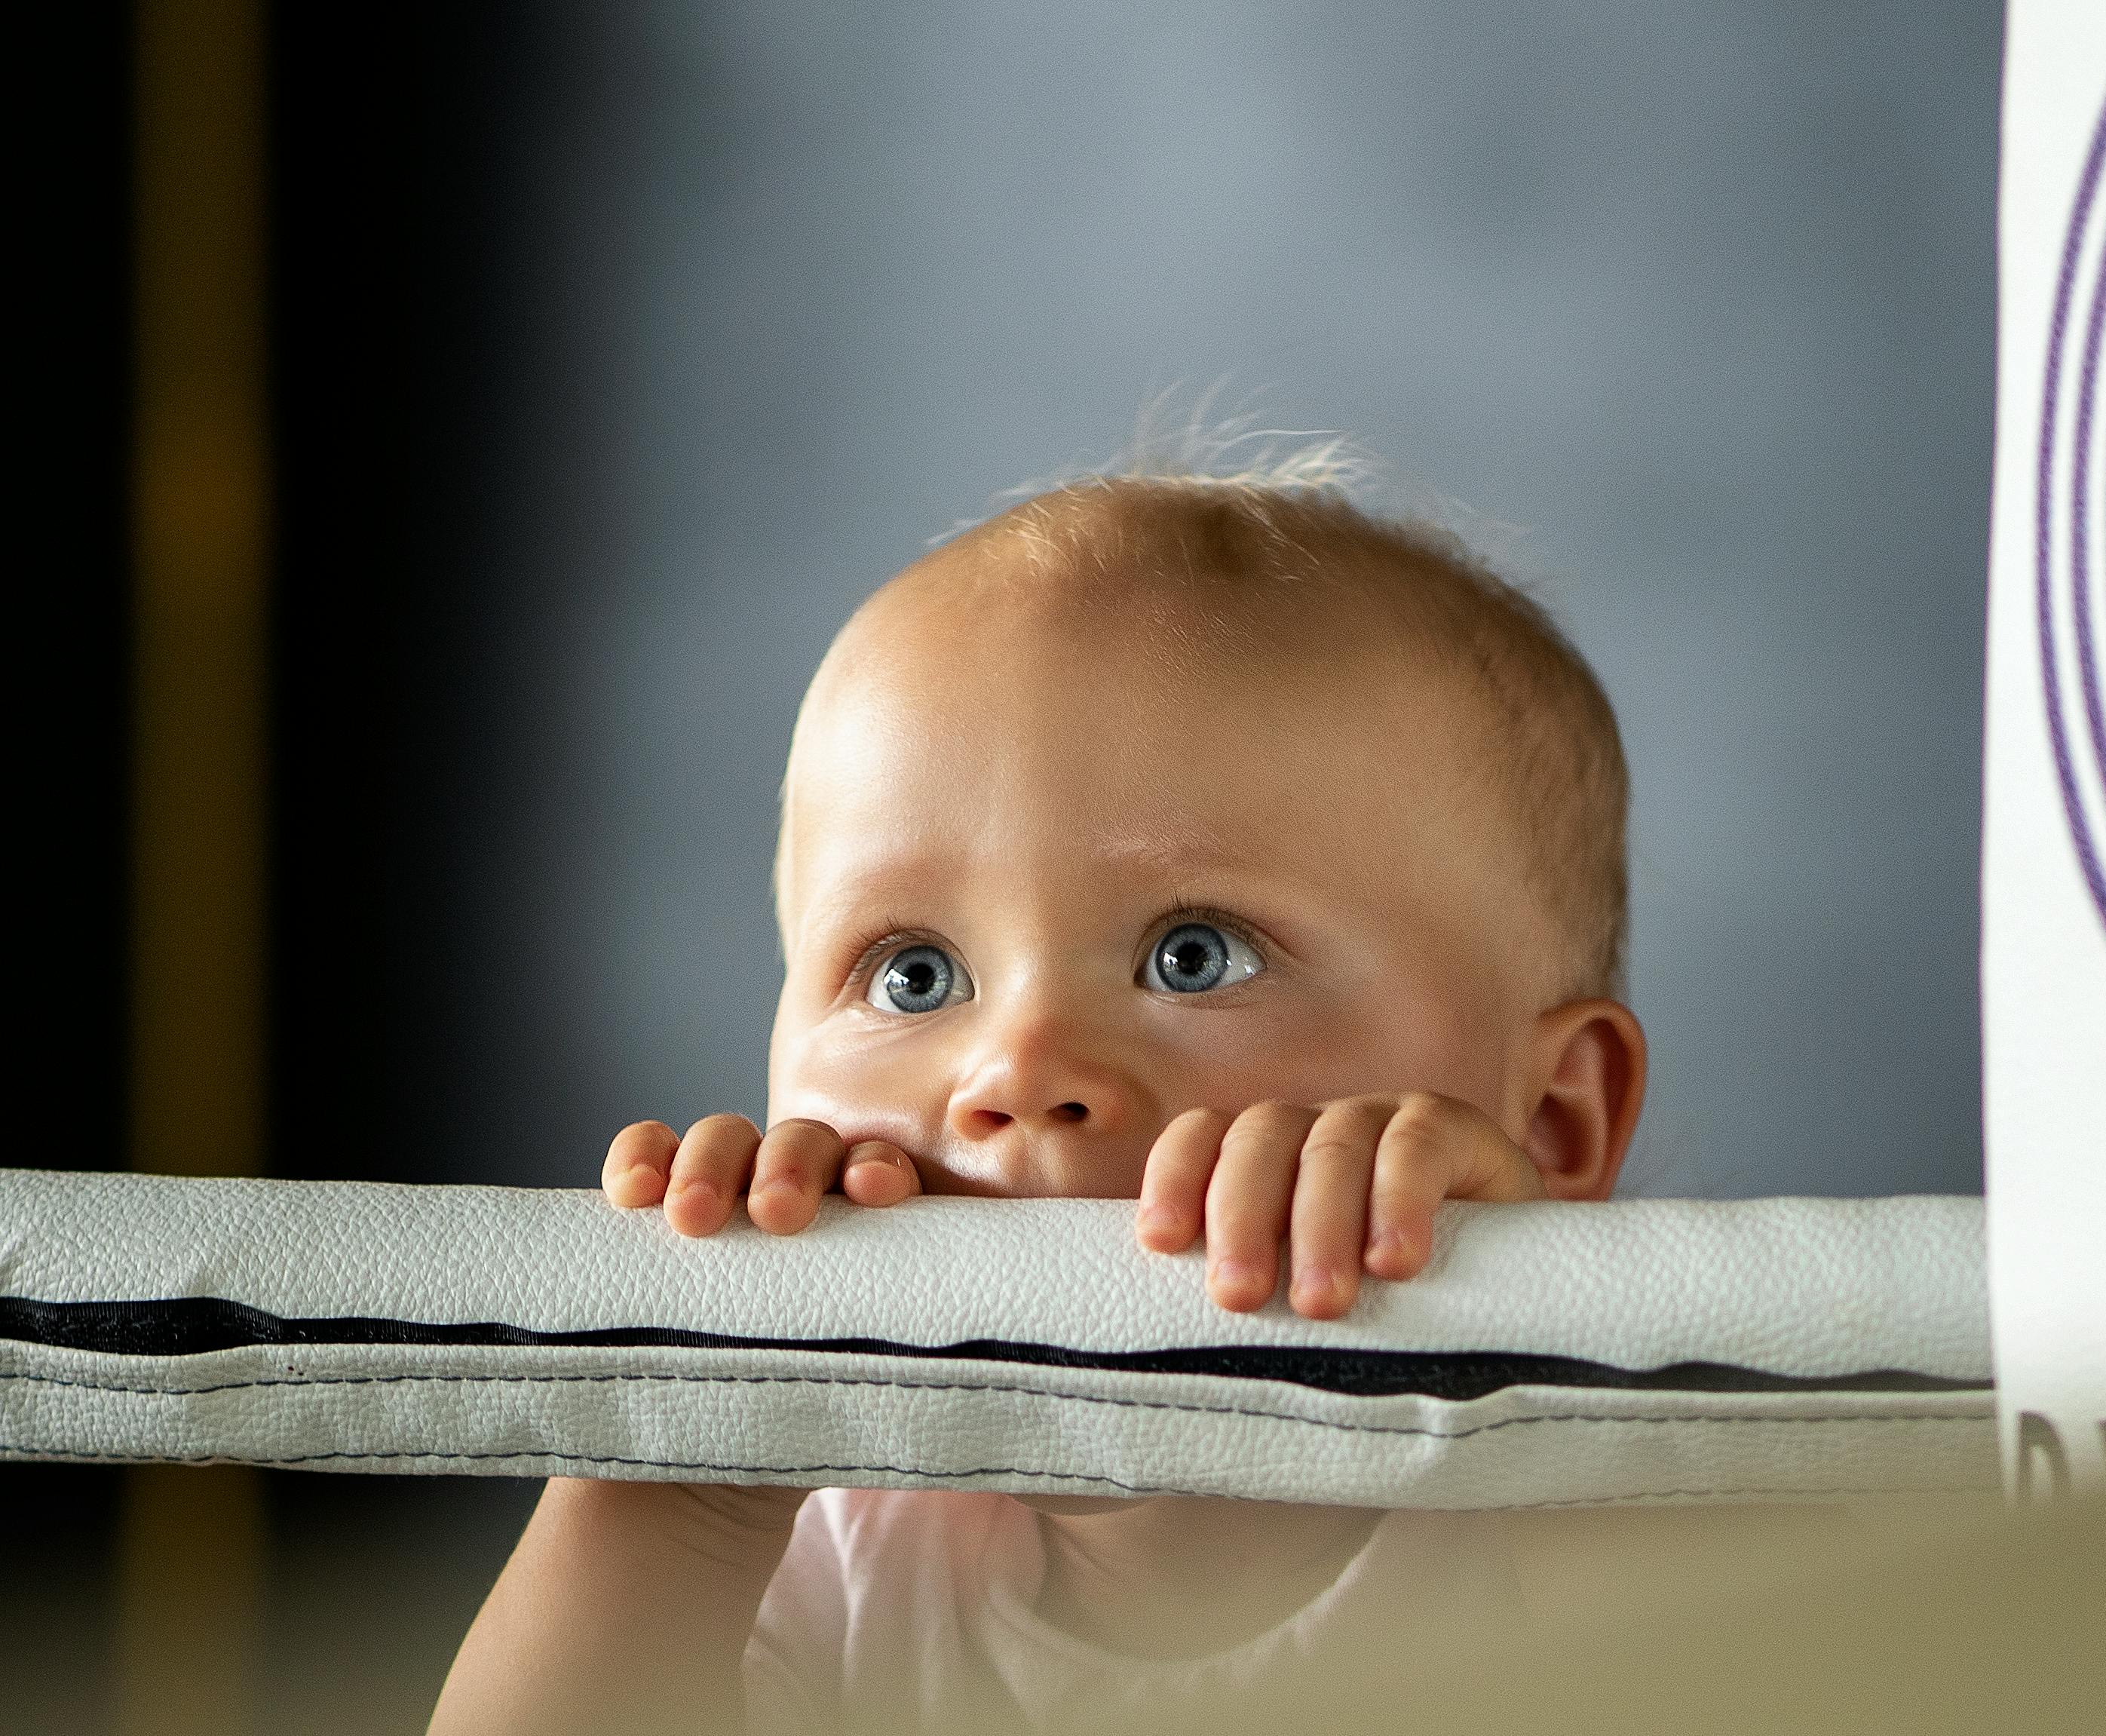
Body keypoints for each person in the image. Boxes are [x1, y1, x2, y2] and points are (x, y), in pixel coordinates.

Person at [430, 440, 1649, 1734]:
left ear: (1551, 1117)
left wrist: (1545, 1367)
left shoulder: (1592, 1516)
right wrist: (671, 1489)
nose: (1013, 1072)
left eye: (1194, 957)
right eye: (911, 974)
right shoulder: (823, 1550)